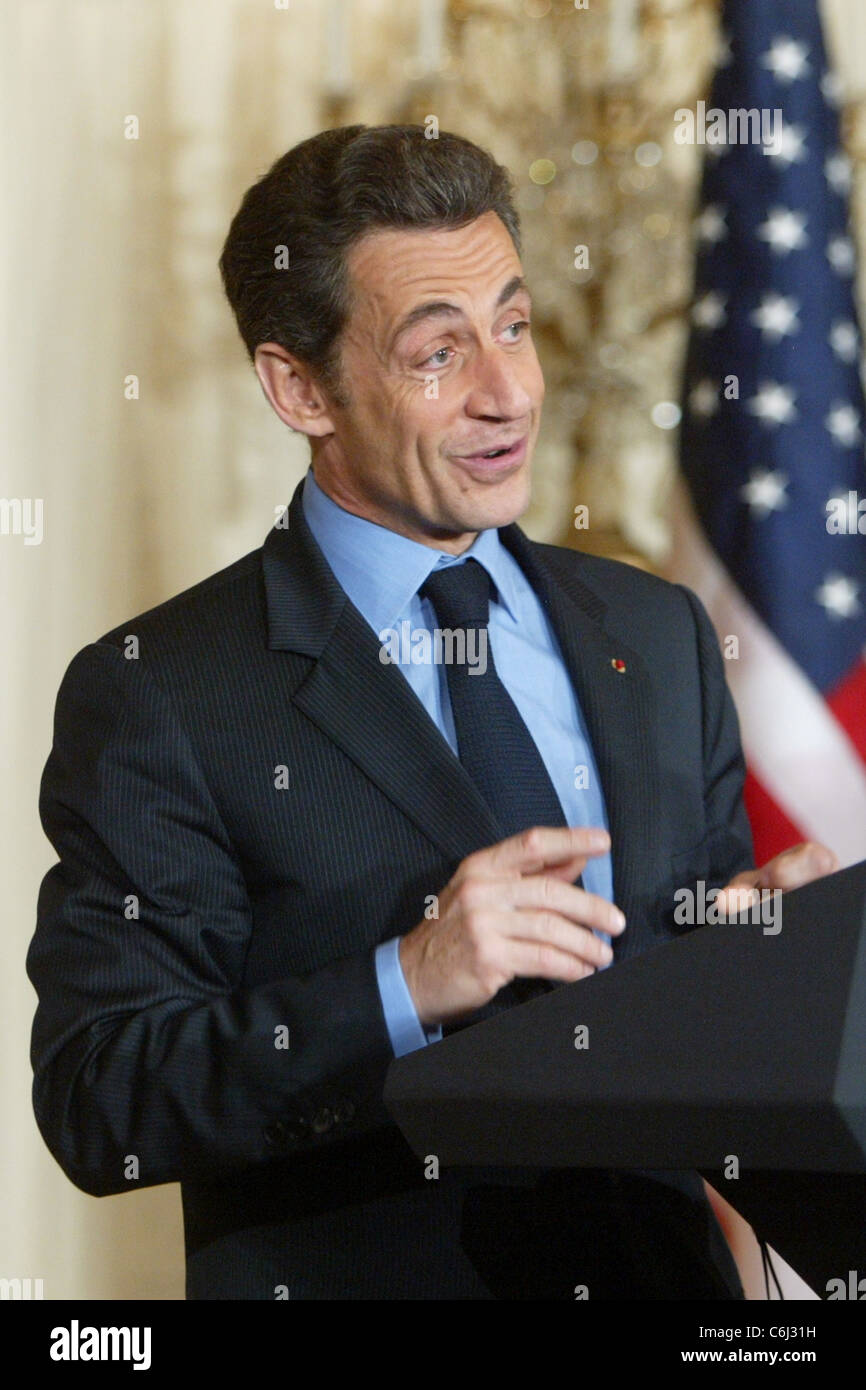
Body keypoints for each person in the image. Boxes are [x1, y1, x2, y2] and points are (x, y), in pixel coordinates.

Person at [27, 124, 837, 1300]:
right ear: (298, 387)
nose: (508, 391)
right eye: (436, 354)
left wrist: (744, 960)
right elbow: (104, 1097)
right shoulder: (162, 689)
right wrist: (408, 979)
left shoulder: (656, 633)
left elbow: (662, 996)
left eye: (512, 324)